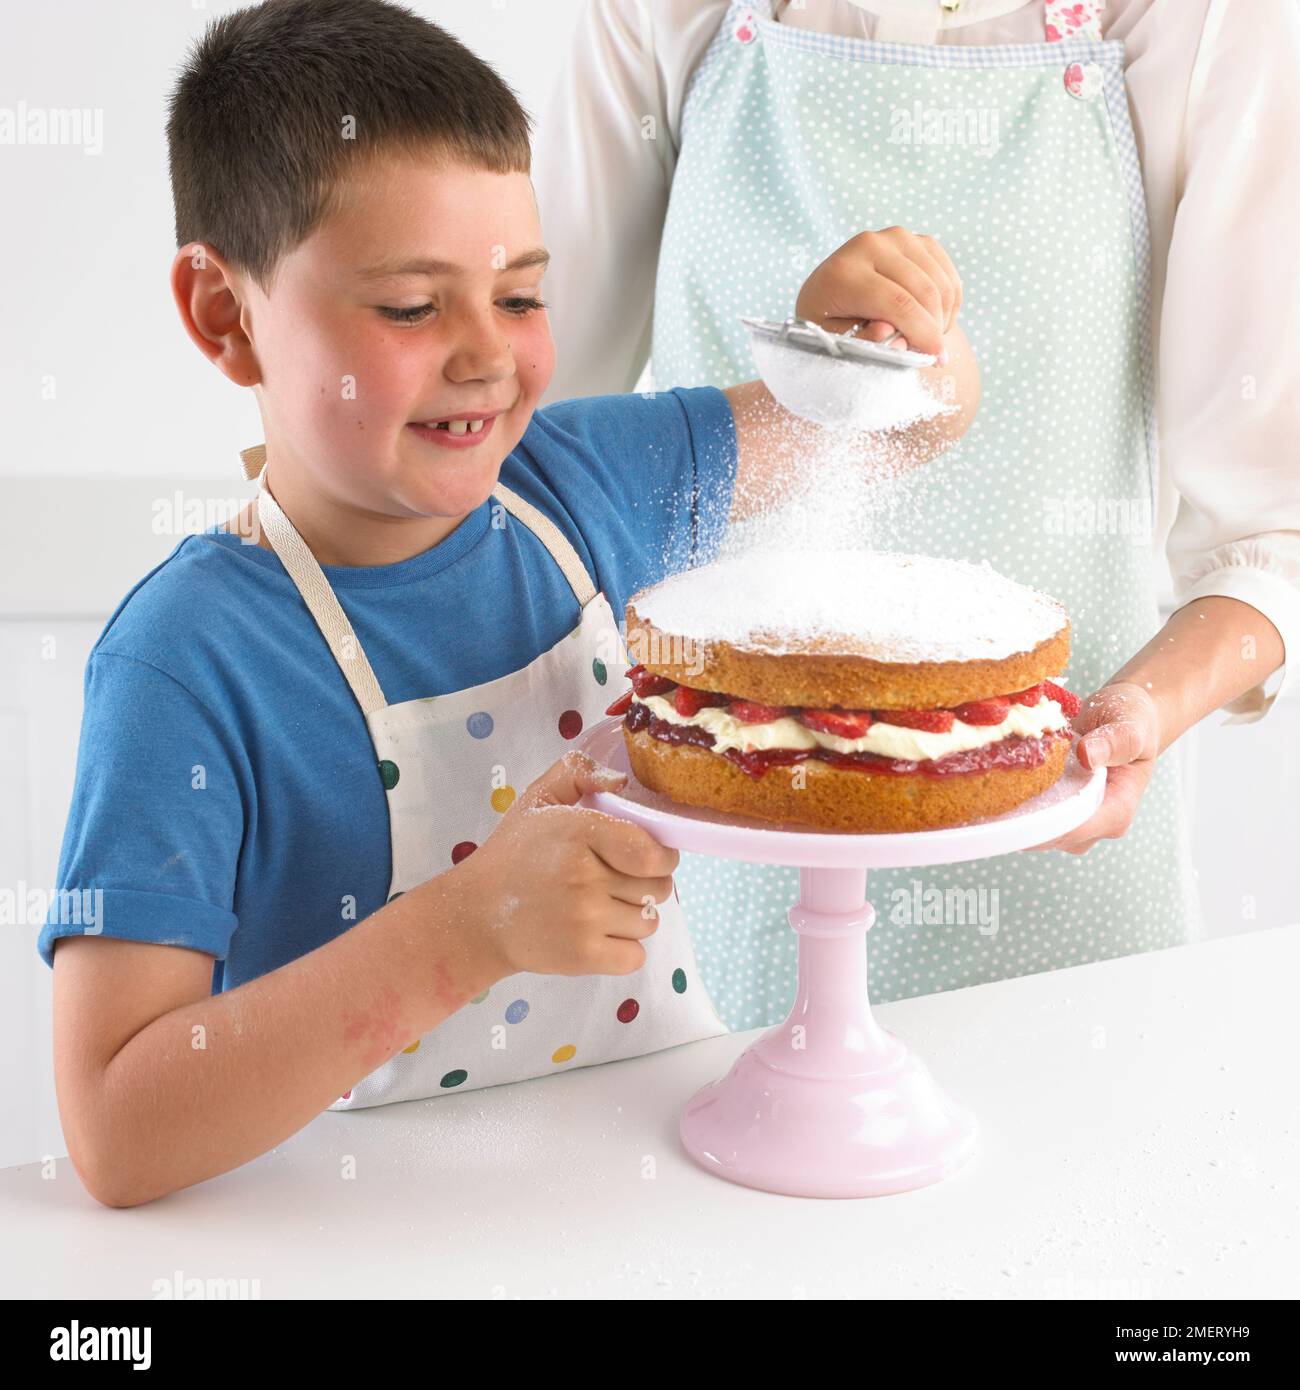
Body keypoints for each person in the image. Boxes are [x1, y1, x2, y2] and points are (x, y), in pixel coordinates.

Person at [36, 0, 979, 1207]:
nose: (487, 355)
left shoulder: (590, 485)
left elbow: (918, 420)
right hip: (378, 1243)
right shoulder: (187, 659)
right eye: (412, 308)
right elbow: (119, 1133)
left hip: (665, 1203)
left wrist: (870, 335)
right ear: (227, 315)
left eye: (521, 297)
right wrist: (468, 927)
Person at [535, 0, 1299, 1030]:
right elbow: (532, 457)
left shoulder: (1209, 23)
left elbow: (1270, 533)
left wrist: (1138, 716)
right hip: (719, 845)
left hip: (1059, 862)